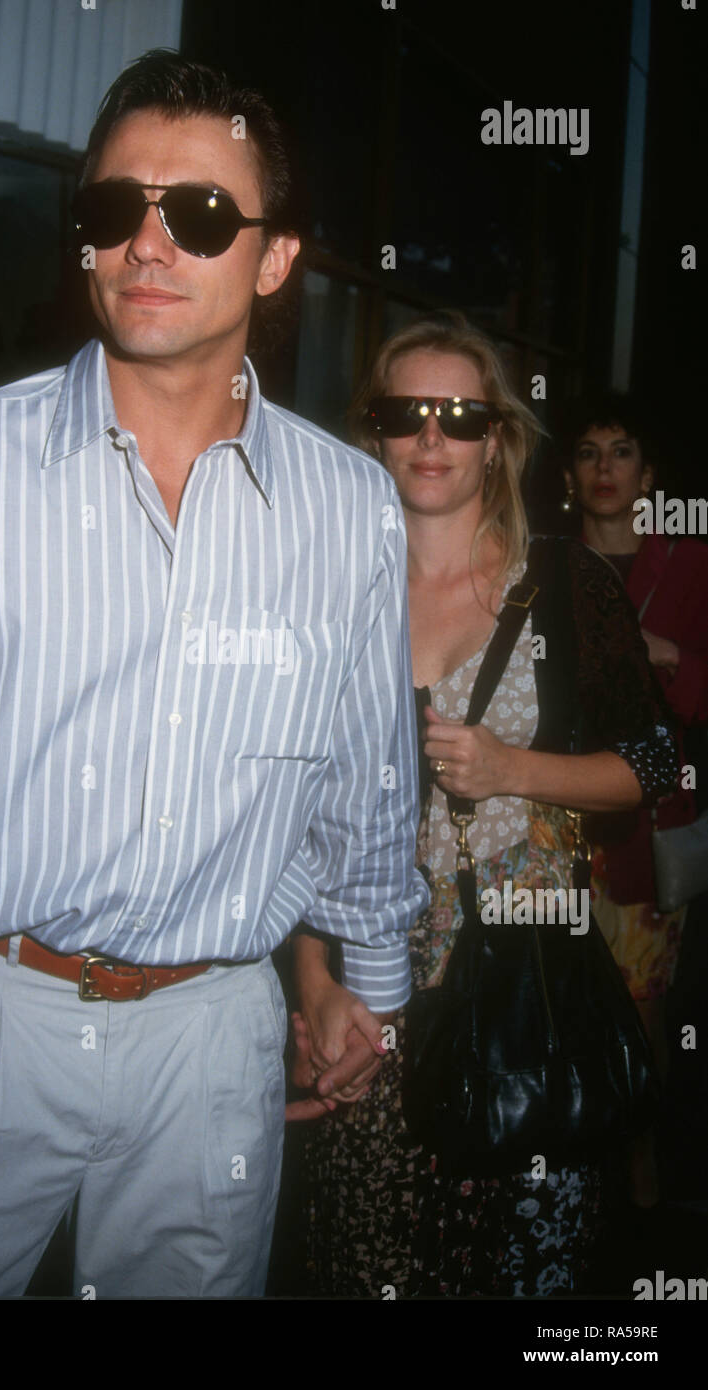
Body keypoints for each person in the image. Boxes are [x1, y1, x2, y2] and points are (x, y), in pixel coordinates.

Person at [0, 50, 428, 1298]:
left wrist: (370, 989)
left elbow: (366, 772)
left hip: (213, 1033)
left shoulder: (350, 506)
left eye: (199, 215)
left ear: (274, 257)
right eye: (112, 210)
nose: (148, 244)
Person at [288, 314, 677, 1297]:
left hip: (523, 993)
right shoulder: (330, 595)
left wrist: (512, 767)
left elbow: (649, 764)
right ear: (370, 432)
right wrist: (313, 982)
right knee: (369, 1265)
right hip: (371, 996)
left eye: (459, 416)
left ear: (496, 437)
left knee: (522, 1269)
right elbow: (292, 816)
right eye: (403, 413)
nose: (430, 438)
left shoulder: (562, 584)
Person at [562, 396, 708, 1207]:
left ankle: (640, 1161)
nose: (605, 468)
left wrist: (663, 653)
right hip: (552, 828)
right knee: (555, 997)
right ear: (569, 474)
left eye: (621, 453)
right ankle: (565, 1158)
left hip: (647, 837)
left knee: (641, 1009)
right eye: (588, 453)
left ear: (647, 476)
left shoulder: (687, 566)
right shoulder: (542, 563)